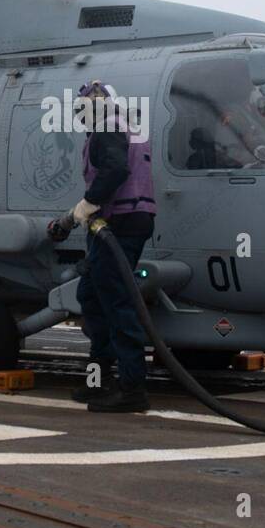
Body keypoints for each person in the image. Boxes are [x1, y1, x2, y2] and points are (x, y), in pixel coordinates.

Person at [67, 80, 157, 413]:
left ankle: (132, 389)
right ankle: (97, 381)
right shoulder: (122, 125)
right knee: (91, 295)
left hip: (118, 224)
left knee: (117, 301)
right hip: (123, 221)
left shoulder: (108, 127)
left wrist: (86, 206)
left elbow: (116, 170)